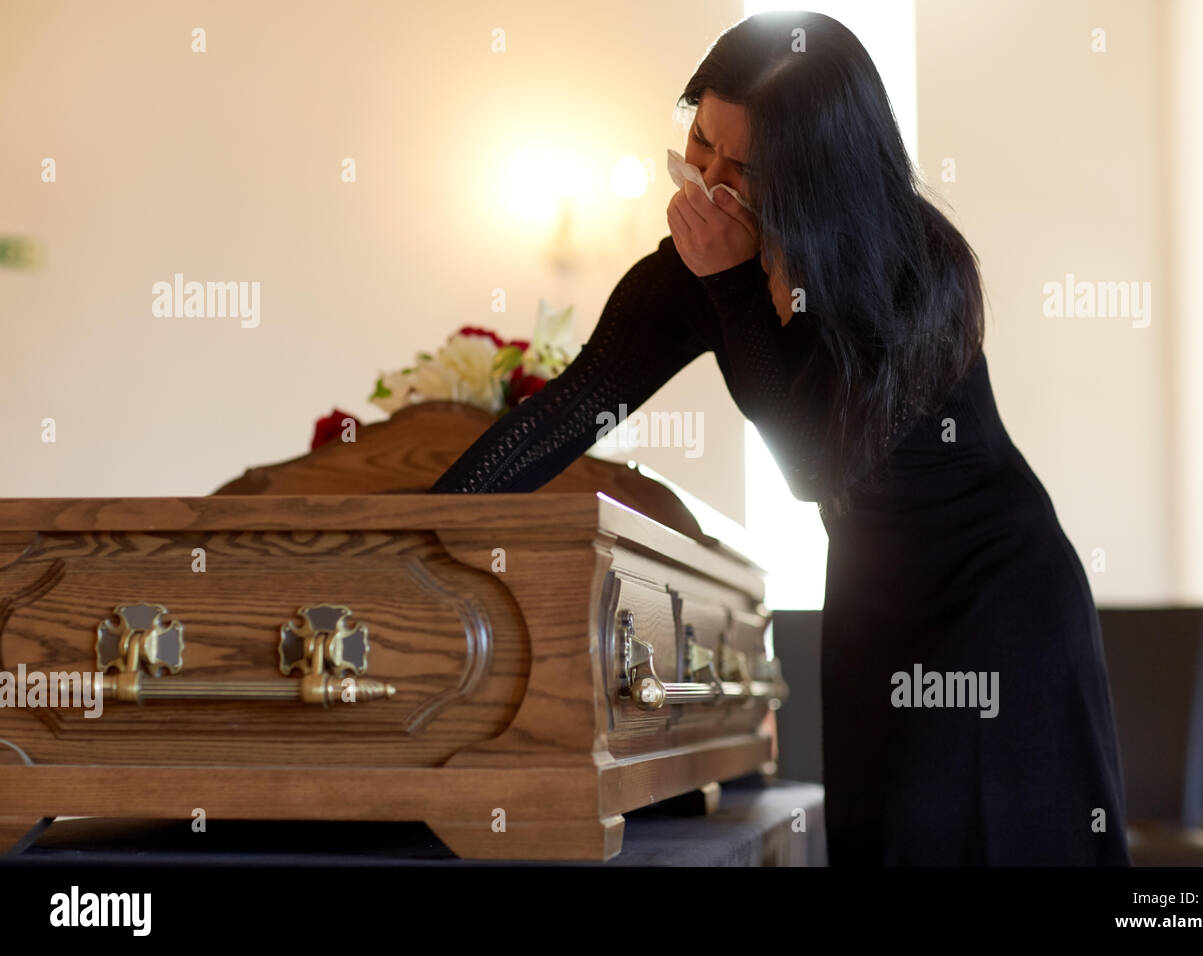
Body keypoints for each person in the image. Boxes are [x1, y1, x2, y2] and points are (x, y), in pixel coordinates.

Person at [431, 11, 1130, 865]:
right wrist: (412, 538)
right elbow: (572, 411)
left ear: (814, 171)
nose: (709, 181)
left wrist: (729, 283)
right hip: (873, 595)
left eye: (744, 167)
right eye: (700, 144)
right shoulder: (696, 264)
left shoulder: (922, 266)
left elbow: (816, 463)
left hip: (997, 596)